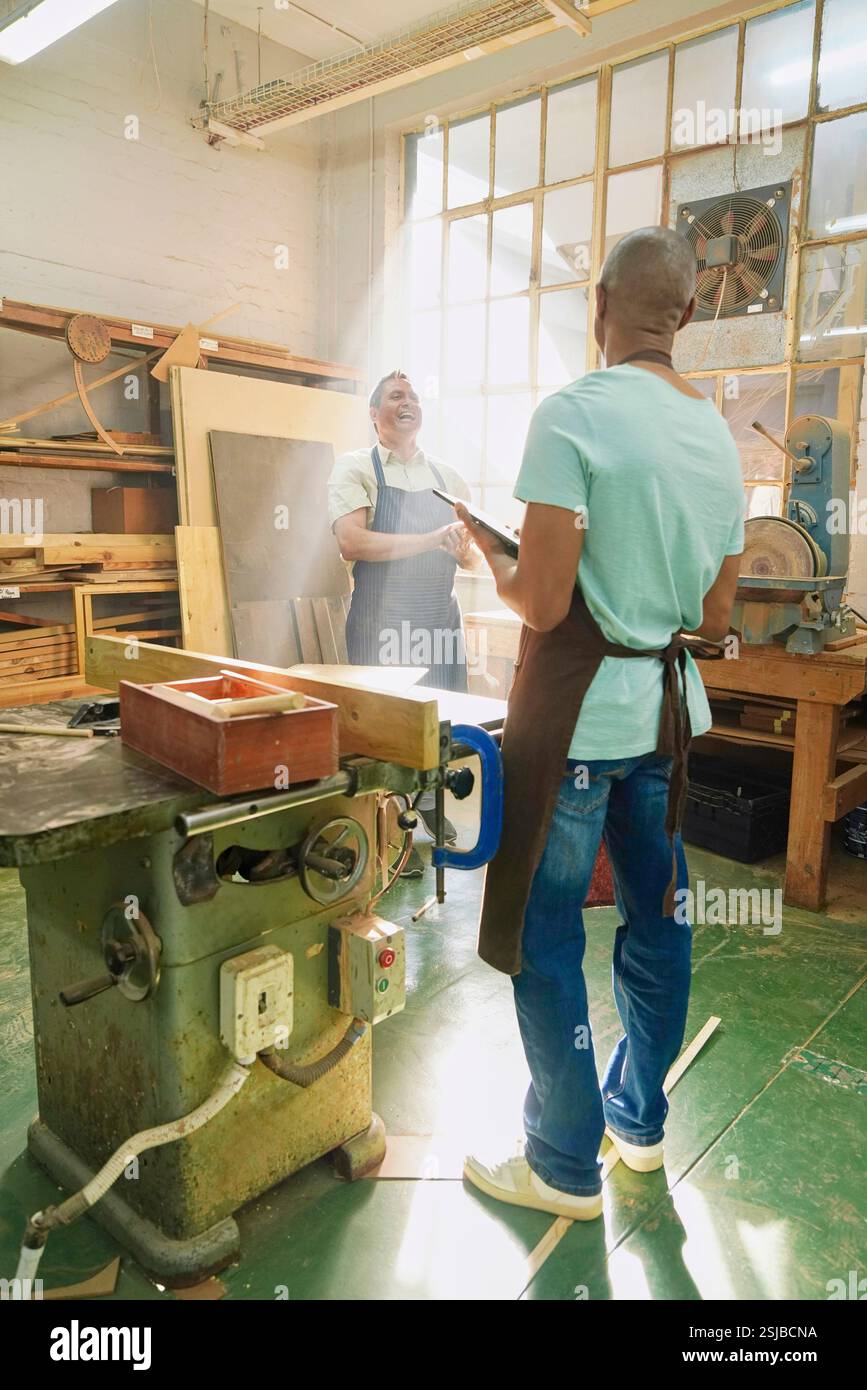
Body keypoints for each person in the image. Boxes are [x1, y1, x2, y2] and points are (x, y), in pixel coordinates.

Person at [456, 226, 745, 1221]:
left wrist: (491, 558)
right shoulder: (720, 436)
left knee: (545, 932)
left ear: (599, 305)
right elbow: (711, 618)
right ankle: (639, 1124)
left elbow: (540, 604)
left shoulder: (570, 415)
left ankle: (562, 1162)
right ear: (690, 316)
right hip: (665, 721)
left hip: (579, 728)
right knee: (659, 923)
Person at [329, 371, 480, 874]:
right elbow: (353, 541)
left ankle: (432, 813)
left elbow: (473, 557)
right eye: (396, 396)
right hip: (381, 620)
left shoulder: (448, 477)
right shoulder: (355, 467)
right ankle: (389, 833)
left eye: (414, 395)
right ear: (375, 415)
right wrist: (431, 538)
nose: (408, 401)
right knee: (383, 730)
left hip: (437, 617)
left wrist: (462, 550)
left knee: (437, 727)